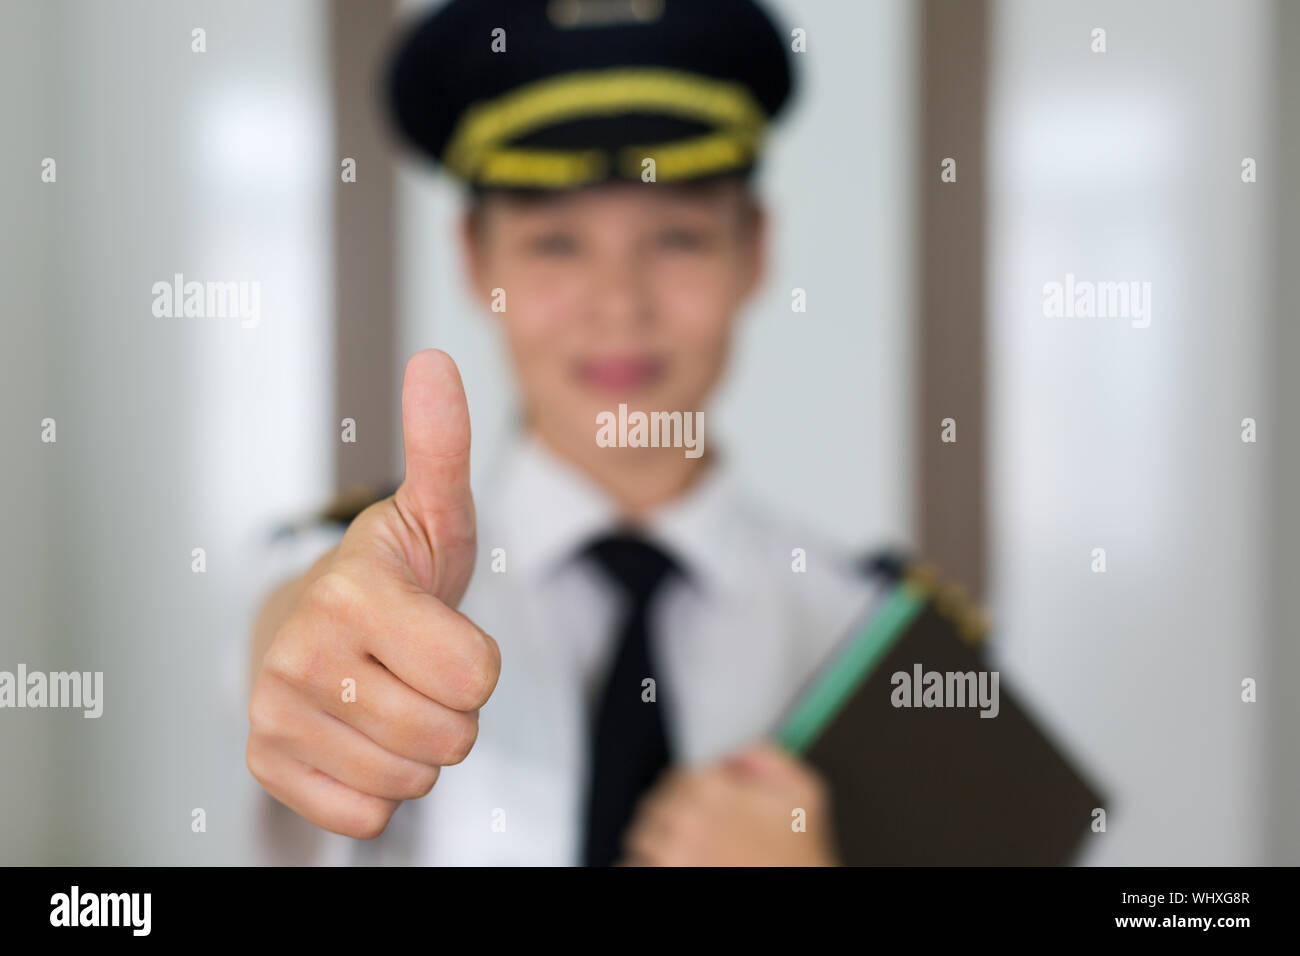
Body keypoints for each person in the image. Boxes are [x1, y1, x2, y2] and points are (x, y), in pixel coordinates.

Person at [245, 0, 883, 866]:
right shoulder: (365, 578)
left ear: (755, 249)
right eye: (555, 244)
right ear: (475, 257)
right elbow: (287, 644)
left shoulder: (866, 629)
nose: (619, 303)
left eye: (679, 238)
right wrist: (308, 650)